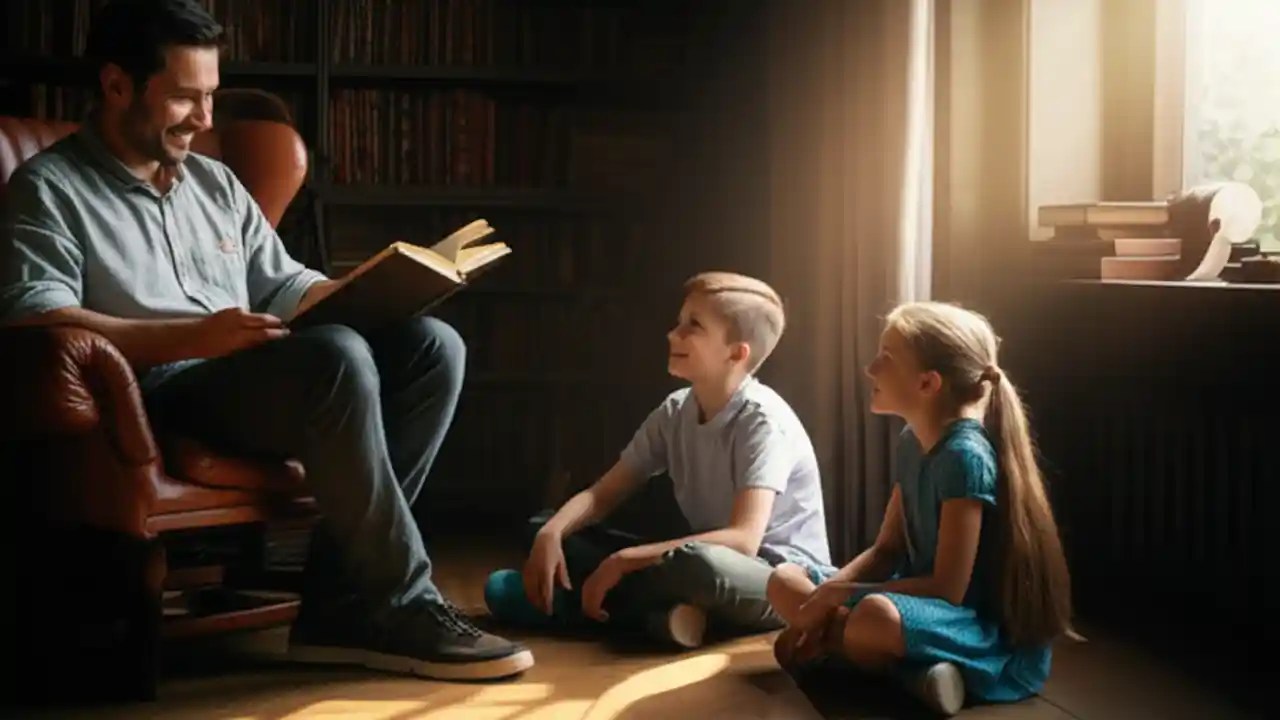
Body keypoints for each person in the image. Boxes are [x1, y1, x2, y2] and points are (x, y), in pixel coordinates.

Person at [0, 0, 532, 681]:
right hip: (153, 396)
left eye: (212, 97)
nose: (205, 119)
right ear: (116, 85)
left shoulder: (215, 184)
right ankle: (401, 605)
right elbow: (33, 321)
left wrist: (385, 291)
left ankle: (339, 606)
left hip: (248, 376)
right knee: (335, 360)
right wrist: (192, 336)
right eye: (185, 98)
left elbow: (287, 288)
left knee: (433, 346)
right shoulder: (49, 189)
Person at [483, 271, 832, 649]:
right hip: (692, 561)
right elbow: (602, 495)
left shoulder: (762, 421)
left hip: (775, 578)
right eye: (679, 322)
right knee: (547, 525)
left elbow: (744, 540)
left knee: (700, 566)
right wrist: (551, 533)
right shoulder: (675, 411)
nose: (673, 334)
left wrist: (625, 560)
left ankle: (580, 608)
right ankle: (665, 616)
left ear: (736, 352)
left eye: (692, 326)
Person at [765, 301, 1075, 715]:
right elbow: (886, 549)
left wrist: (834, 604)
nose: (871, 369)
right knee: (785, 579)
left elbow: (948, 589)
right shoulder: (913, 441)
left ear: (928, 383)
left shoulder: (964, 456)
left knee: (873, 617)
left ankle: (887, 663)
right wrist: (827, 594)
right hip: (910, 595)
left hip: (964, 620)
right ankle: (904, 667)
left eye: (887, 359)